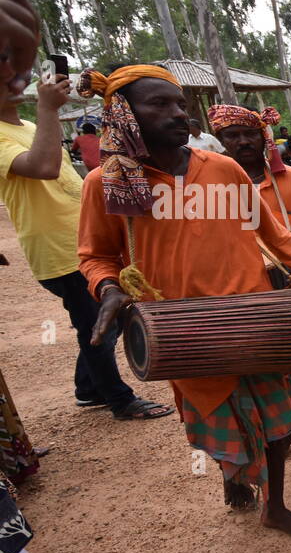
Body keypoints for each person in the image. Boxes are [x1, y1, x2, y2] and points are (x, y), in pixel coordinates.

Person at [77, 64, 291, 540]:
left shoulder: (222, 168)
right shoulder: (104, 183)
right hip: (184, 332)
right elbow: (95, 256)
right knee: (218, 423)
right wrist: (108, 289)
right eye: (160, 104)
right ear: (124, 114)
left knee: (280, 421)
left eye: (179, 104)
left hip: (255, 317)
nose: (178, 113)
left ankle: (274, 505)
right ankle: (233, 475)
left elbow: (271, 232)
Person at [0, 67, 170, 420]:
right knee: (98, 325)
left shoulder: (29, 129)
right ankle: (120, 400)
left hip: (82, 238)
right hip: (59, 248)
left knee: (101, 321)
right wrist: (48, 109)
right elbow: (44, 167)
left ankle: (88, 389)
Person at [210, 103, 291, 449]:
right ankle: (285, 423)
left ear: (262, 135)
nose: (242, 142)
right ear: (220, 140)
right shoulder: (214, 188)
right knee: (272, 361)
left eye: (249, 133)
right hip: (252, 292)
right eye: (231, 135)